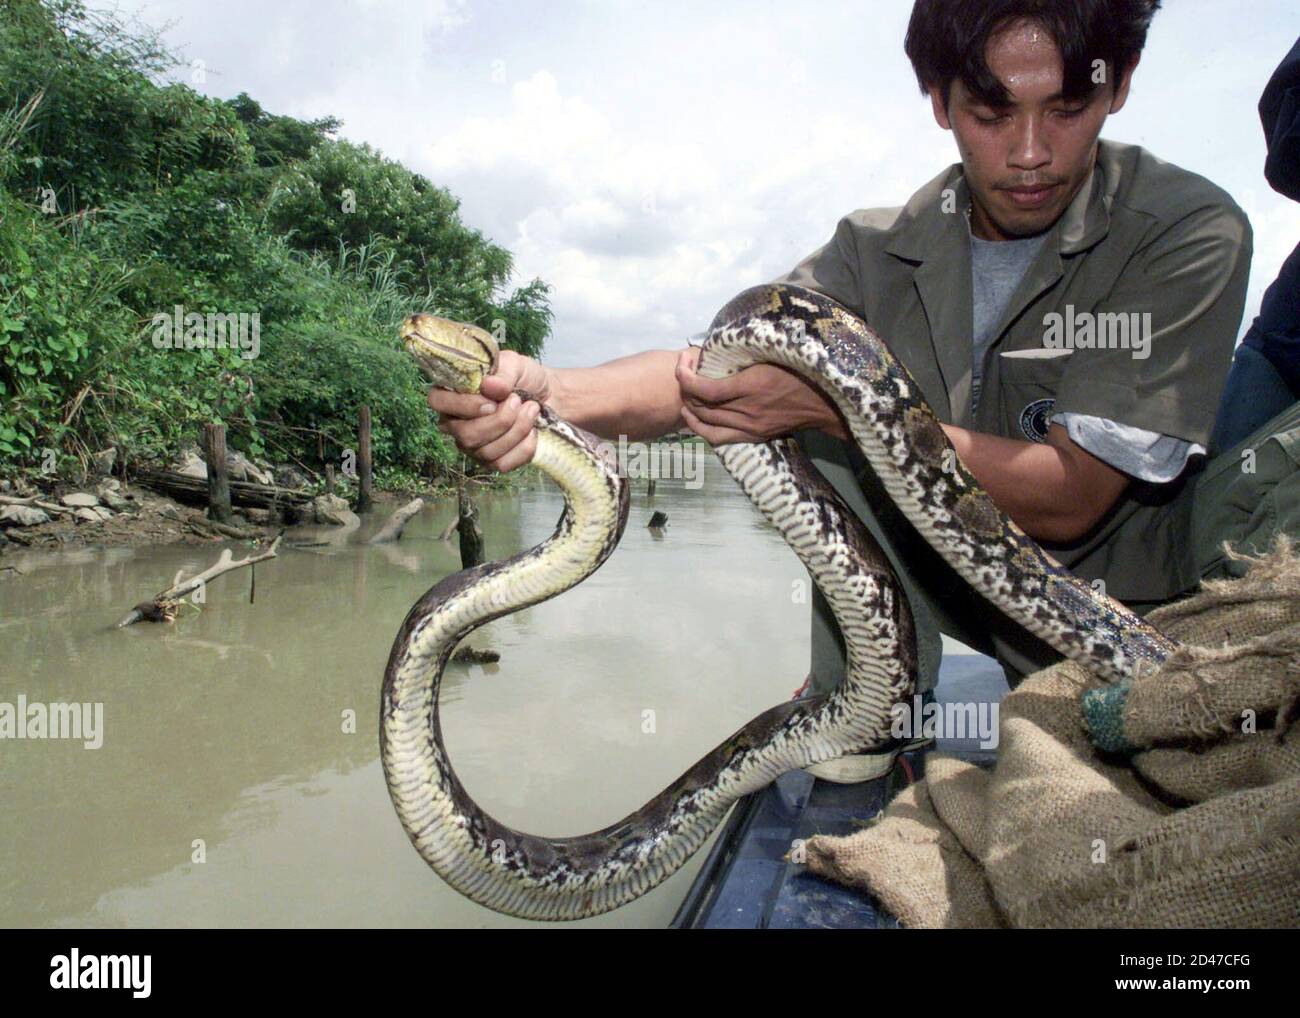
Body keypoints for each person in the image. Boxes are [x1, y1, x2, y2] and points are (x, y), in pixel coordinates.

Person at [429, 0, 1254, 777]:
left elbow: (1073, 499)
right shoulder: (874, 247)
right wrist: (546, 391)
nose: (1031, 151)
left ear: (1123, 81)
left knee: (847, 411)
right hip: (955, 589)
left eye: (1068, 107)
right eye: (992, 113)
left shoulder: (1187, 232)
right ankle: (869, 699)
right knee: (828, 411)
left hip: (1129, 610)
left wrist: (844, 408)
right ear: (938, 100)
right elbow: (713, 376)